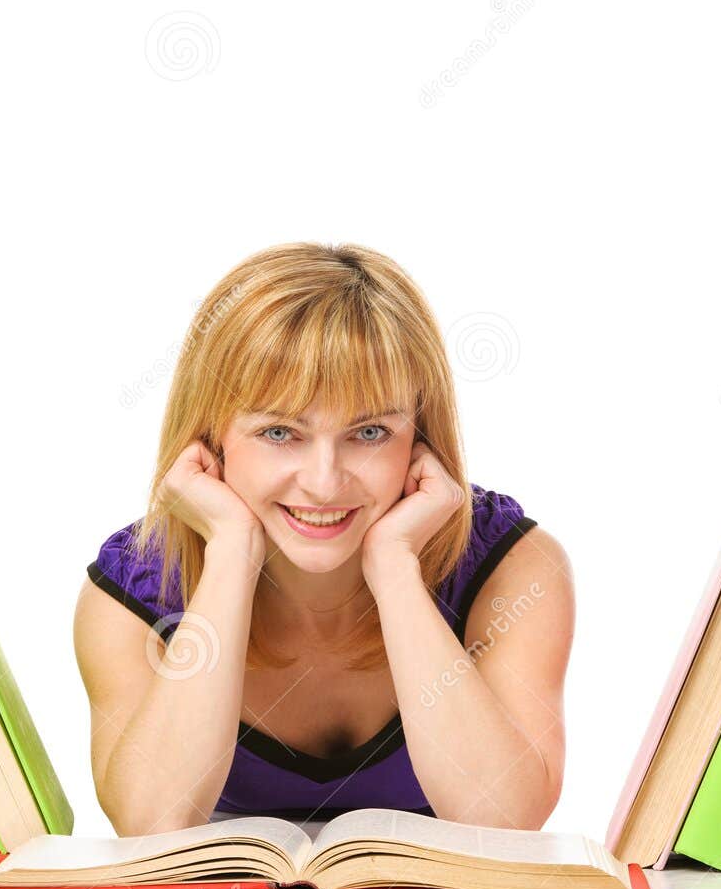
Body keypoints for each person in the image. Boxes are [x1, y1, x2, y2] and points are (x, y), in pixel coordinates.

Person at [74, 243, 574, 836]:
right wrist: (231, 550)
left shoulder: (515, 568)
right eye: (280, 431)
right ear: (209, 437)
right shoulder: (132, 595)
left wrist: (394, 565)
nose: (323, 481)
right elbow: (152, 825)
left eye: (369, 431)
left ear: (421, 438)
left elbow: (507, 822)